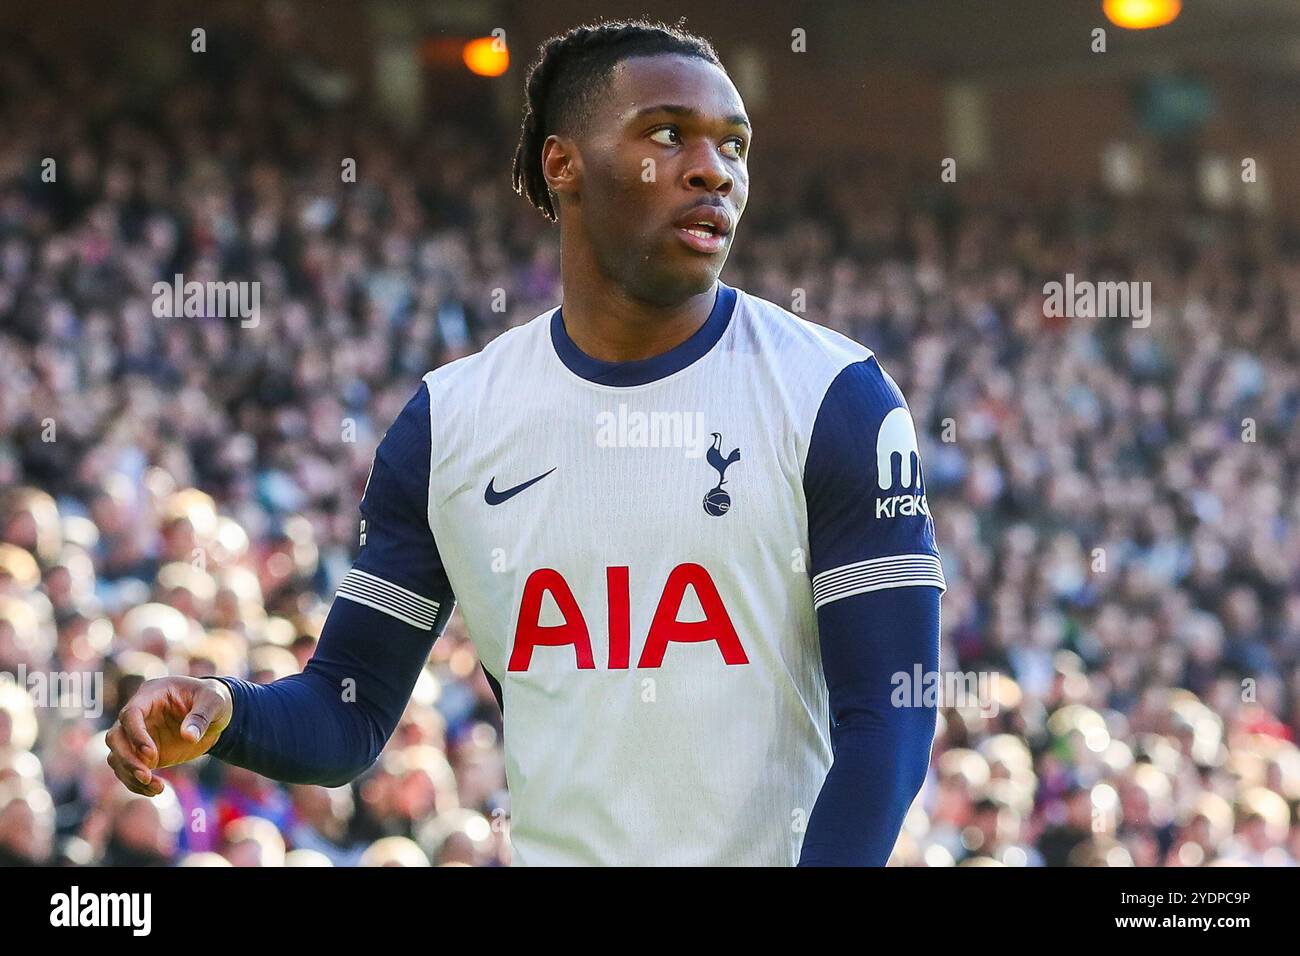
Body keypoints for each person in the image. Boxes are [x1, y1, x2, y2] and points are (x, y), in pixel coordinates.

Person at [105, 18, 945, 866]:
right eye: (667, 134)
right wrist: (225, 708)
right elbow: (348, 712)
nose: (712, 169)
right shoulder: (450, 424)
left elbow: (891, 719)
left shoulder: (836, 397)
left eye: (735, 145)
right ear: (562, 163)